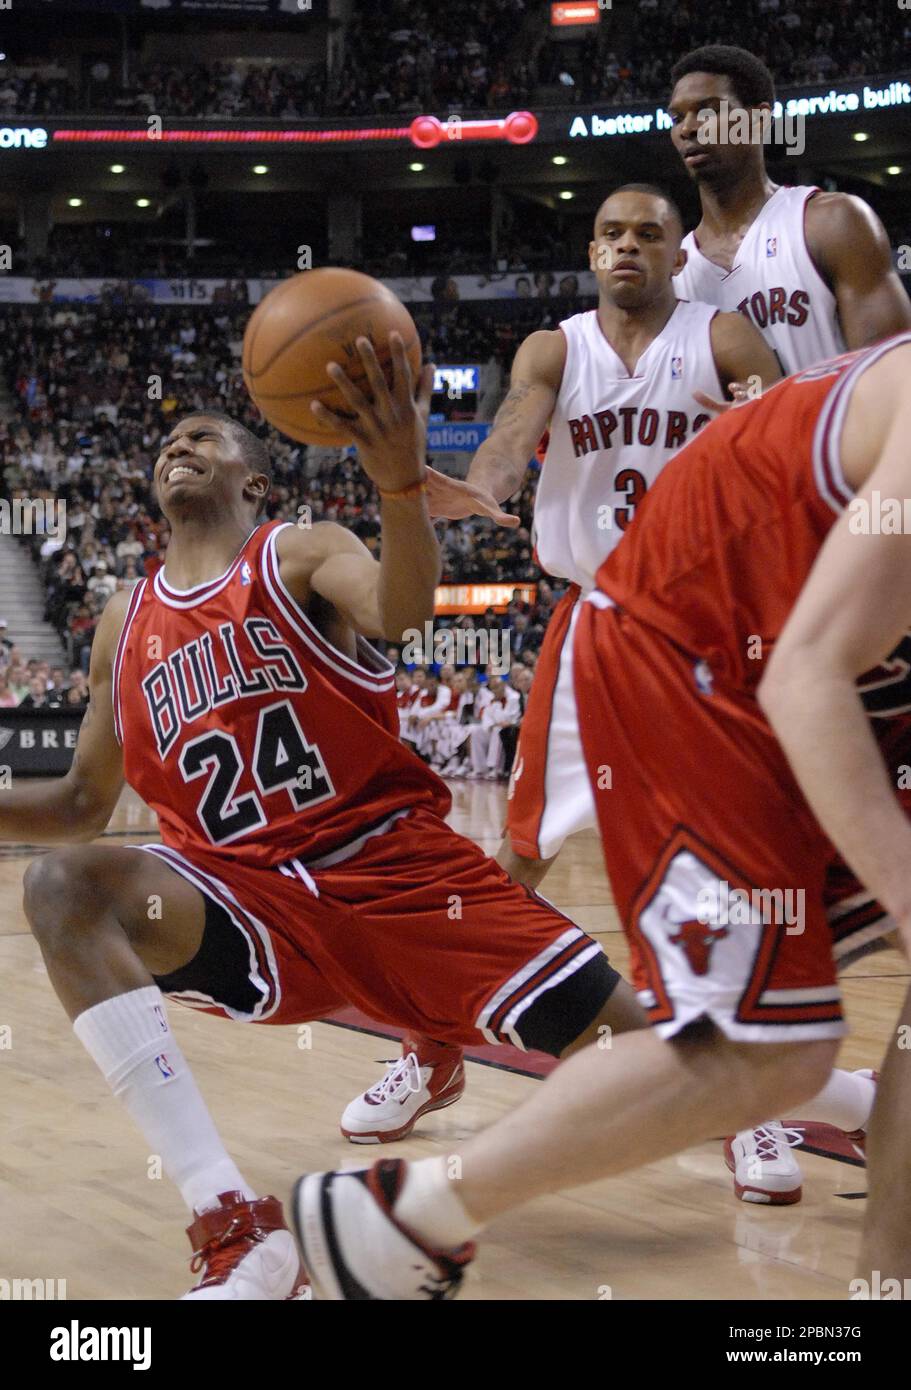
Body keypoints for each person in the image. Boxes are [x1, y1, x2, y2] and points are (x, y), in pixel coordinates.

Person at [291, 332, 911, 1301]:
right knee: (762, 1049)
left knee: (807, 1042)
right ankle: (400, 1212)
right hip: (693, 643)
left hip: (833, 664)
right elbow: (805, 675)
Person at [16, 336, 628, 1298]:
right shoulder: (121, 623)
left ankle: (820, 1094)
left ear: (257, 485)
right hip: (246, 901)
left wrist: (392, 487)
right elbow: (82, 805)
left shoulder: (299, 551)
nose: (181, 445)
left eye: (207, 438)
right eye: (171, 438)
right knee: (63, 885)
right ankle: (234, 1226)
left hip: (397, 873)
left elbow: (402, 606)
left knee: (638, 1054)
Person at [344, 183, 781, 1142]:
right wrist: (483, 487)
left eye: (648, 235)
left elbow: (779, 443)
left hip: (710, 625)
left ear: (680, 254)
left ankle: (749, 1097)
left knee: (727, 859)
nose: (628, 246)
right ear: (591, 253)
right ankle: (432, 1044)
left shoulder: (726, 340)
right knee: (522, 855)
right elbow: (512, 433)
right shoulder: (556, 346)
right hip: (597, 622)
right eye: (611, 234)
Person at [668, 42, 911, 1198]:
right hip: (737, 585)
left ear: (760, 120)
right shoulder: (661, 273)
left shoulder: (826, 225)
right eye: (675, 115)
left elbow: (892, 374)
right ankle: (767, 1097)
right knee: (743, 867)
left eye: (711, 111)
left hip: (853, 548)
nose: (689, 129)